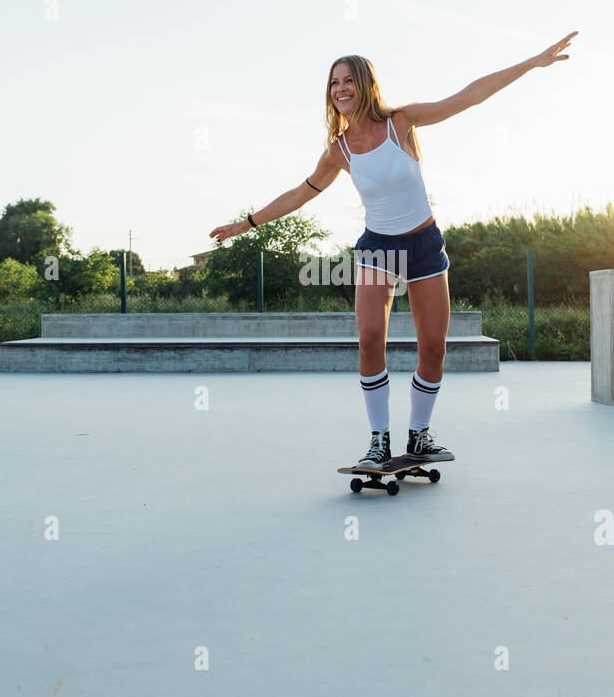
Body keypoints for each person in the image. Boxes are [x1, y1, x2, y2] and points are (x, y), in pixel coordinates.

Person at [209, 31, 578, 469]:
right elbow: (299, 195)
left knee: (434, 350)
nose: (340, 89)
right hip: (377, 251)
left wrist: (532, 63)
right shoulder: (339, 150)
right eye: (334, 83)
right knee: (369, 342)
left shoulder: (402, 122)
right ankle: (378, 441)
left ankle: (419, 437)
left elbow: (469, 97)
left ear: (365, 85)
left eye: (347, 81)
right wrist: (244, 224)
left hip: (423, 245)